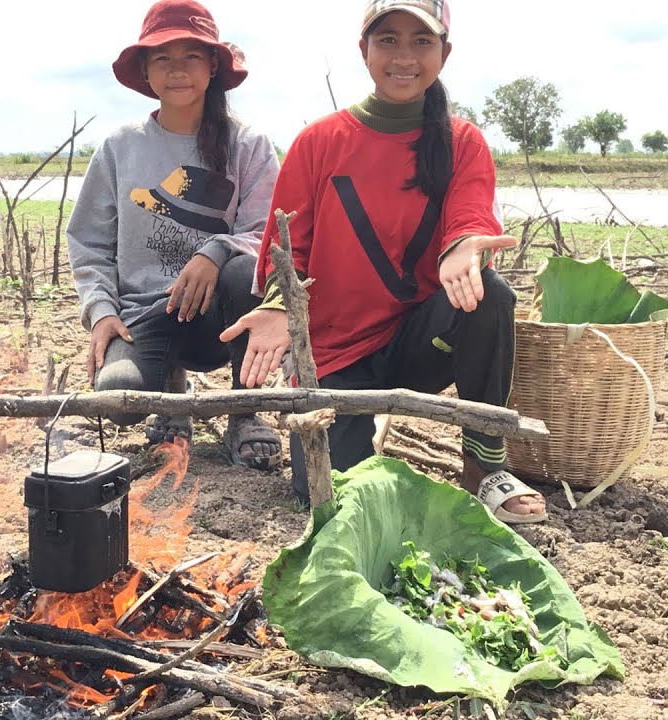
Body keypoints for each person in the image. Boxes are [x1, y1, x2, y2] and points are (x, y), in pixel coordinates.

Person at [221, 0, 547, 522]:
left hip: (417, 345)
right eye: (388, 39)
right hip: (338, 354)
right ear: (364, 50)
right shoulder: (317, 143)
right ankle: (356, 442)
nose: (405, 56)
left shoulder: (462, 143)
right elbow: (290, 248)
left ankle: (483, 465)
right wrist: (281, 306)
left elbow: (469, 213)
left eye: (422, 41)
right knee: (330, 492)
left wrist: (463, 245)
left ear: (445, 51)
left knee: (491, 296)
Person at [66, 0, 281, 469]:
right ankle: (169, 391)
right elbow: (89, 242)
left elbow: (267, 232)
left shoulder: (249, 145)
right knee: (117, 399)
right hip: (144, 311)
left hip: (217, 315)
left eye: (191, 57)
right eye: (162, 57)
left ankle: (244, 411)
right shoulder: (120, 147)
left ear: (212, 67)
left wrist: (215, 251)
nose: (177, 70)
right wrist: (101, 313)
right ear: (145, 70)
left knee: (244, 268)